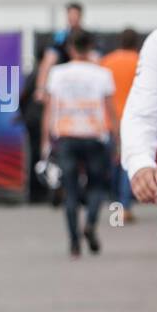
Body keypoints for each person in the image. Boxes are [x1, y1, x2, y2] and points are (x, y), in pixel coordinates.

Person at [43, 30, 116, 257]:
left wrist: (45, 141)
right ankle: (90, 223)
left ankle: (74, 243)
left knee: (71, 191)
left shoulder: (57, 73)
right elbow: (111, 111)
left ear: (71, 48)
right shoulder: (102, 73)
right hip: (94, 136)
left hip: (66, 136)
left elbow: (50, 108)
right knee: (97, 186)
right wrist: (119, 140)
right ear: (91, 47)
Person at [120, 24, 157, 248]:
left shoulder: (107, 62)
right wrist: (139, 158)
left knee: (115, 180)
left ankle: (123, 208)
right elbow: (141, 111)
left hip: (109, 129)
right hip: (117, 131)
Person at [101, 28, 141, 219]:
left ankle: (115, 205)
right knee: (127, 163)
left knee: (113, 165)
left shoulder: (107, 61)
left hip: (110, 121)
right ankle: (125, 206)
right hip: (133, 120)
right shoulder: (140, 61)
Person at [35, 1, 85, 105]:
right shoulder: (60, 36)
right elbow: (47, 61)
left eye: (75, 15)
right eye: (70, 14)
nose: (73, 18)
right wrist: (41, 88)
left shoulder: (87, 36)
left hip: (83, 79)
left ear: (80, 16)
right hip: (65, 79)